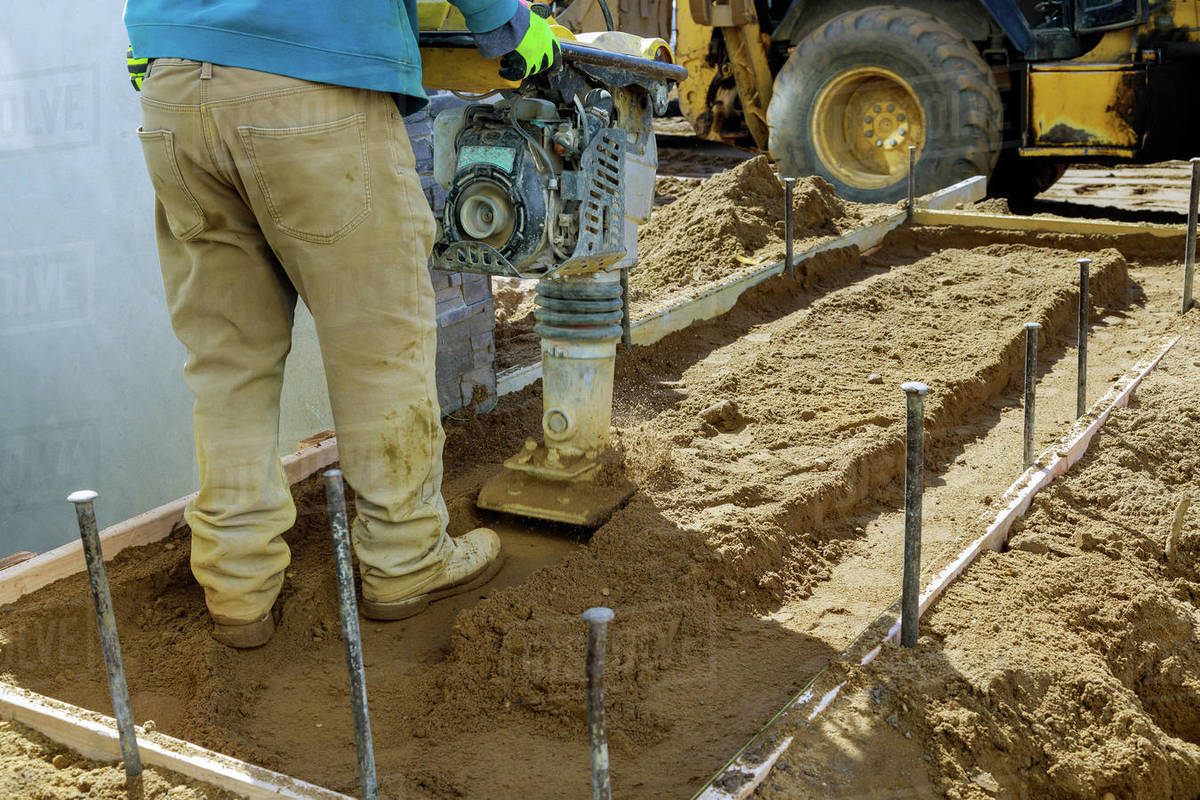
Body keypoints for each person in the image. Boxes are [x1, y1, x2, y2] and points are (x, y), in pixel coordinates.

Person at [123, 0, 559, 648]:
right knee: (380, 344)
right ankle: (406, 558)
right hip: (314, 83)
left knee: (227, 360)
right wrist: (509, 24)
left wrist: (155, 41)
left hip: (175, 92)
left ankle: (237, 586)